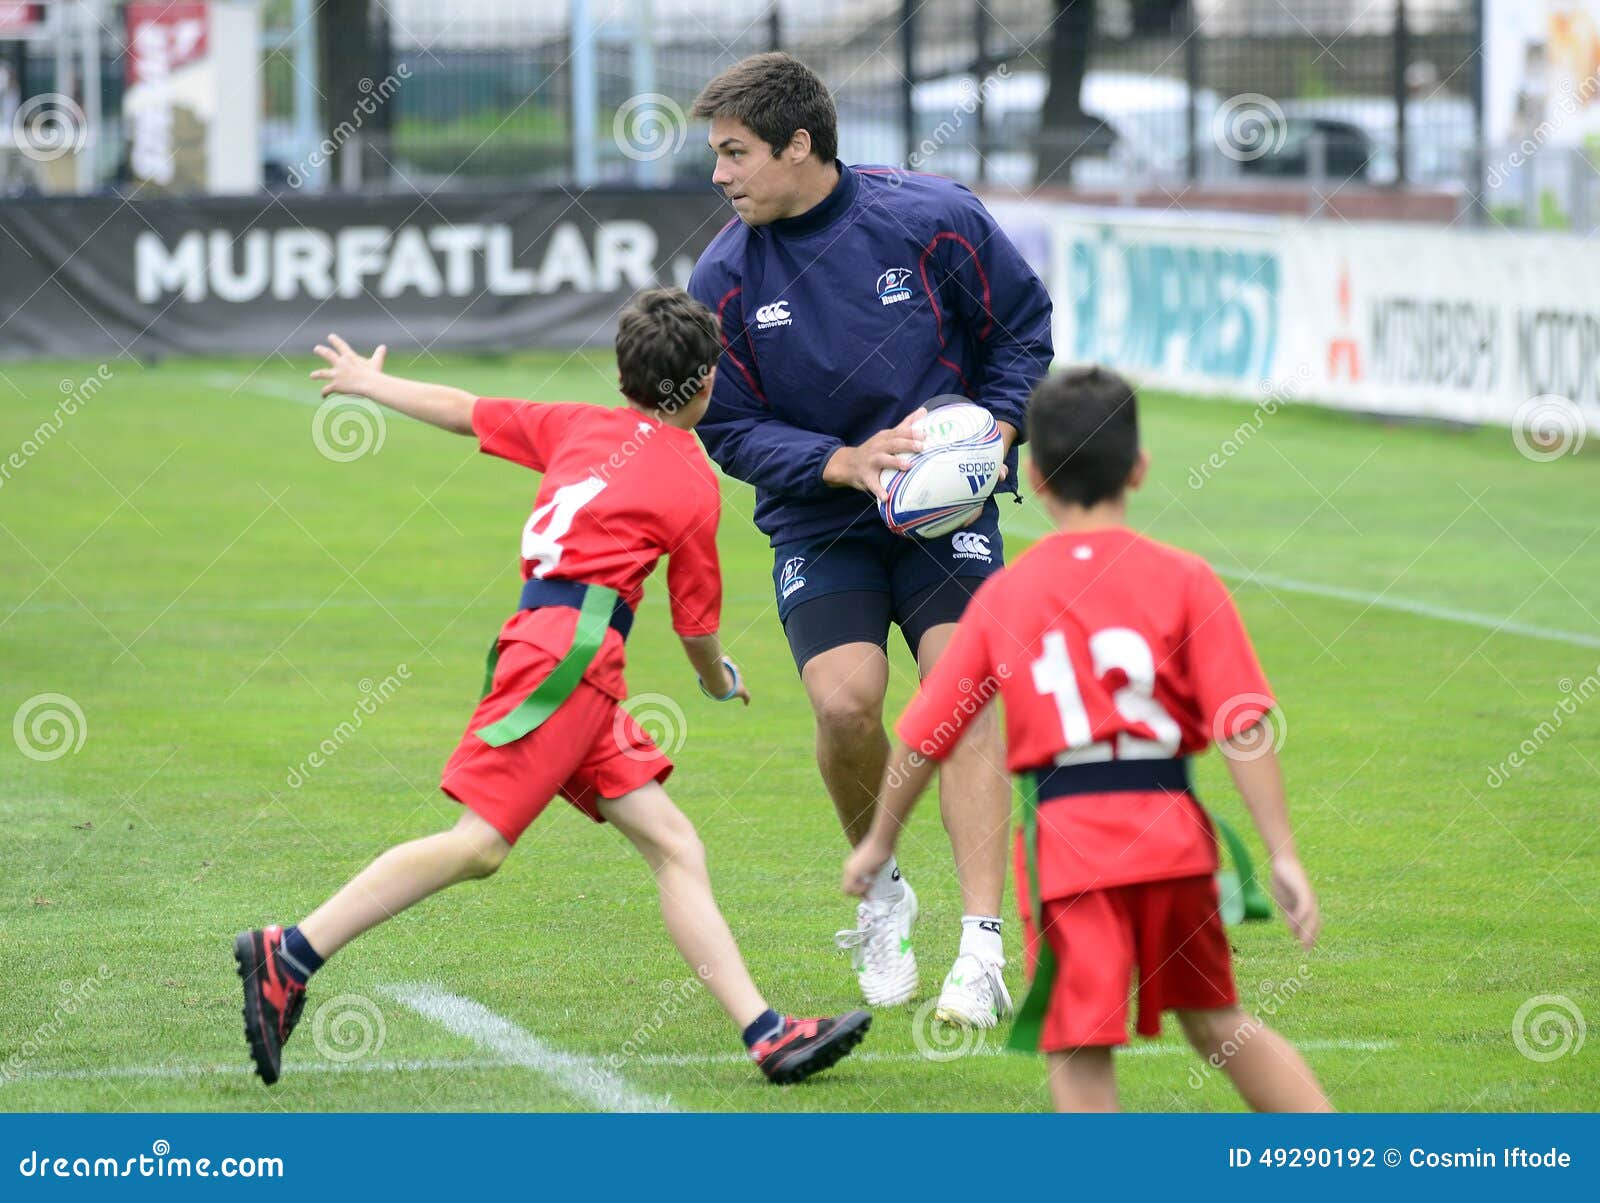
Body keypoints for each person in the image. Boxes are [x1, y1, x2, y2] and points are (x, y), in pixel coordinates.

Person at [233, 289, 870, 1090]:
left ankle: (766, 1032)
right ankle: (290, 950)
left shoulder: (578, 424)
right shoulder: (693, 483)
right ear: (709, 382)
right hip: (570, 660)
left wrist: (369, 381)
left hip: (552, 648)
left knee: (674, 844)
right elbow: (697, 630)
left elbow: (466, 409)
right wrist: (717, 681)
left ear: (619, 374)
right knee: (480, 844)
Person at [842, 366, 1332, 1113]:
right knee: (1219, 1024)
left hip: (1072, 851)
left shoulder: (1009, 593)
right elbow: (1243, 721)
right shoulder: (1186, 577)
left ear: (1031, 476)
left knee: (1079, 1043)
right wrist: (1284, 854)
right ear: (1138, 468)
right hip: (1175, 837)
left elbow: (929, 733)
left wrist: (879, 842)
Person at [687, 52, 1053, 1027]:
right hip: (821, 514)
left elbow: (1020, 328)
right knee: (847, 708)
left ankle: (982, 949)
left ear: (798, 145)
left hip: (945, 513)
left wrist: (996, 432)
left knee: (962, 698)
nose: (718, 175)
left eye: (735, 153)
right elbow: (724, 426)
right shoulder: (724, 272)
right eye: (715, 155)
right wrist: (836, 461)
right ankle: (883, 889)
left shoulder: (931, 218)